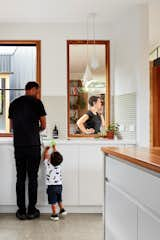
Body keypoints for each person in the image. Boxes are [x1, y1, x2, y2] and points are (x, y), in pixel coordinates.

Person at [8, 81, 47, 220]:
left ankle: (21, 211)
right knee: (32, 178)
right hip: (33, 146)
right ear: (33, 89)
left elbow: (12, 126)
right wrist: (34, 130)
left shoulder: (13, 103)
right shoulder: (37, 103)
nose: (37, 93)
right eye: (37, 90)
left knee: (20, 178)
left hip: (19, 146)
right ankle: (31, 210)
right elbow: (44, 125)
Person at [43, 145, 67, 221]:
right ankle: (62, 209)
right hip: (59, 186)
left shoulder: (48, 164)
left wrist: (46, 150)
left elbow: (45, 157)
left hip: (51, 187)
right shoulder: (59, 165)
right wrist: (54, 148)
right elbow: (56, 156)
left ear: (50, 159)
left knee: (53, 201)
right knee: (59, 199)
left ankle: (54, 215)